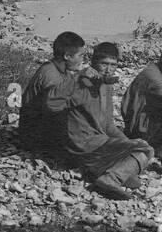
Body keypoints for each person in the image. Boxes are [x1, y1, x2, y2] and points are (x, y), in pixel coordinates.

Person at [64, 43, 154, 200]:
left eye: (113, 65)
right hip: (83, 144)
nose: (108, 69)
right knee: (145, 151)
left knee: (137, 154)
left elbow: (108, 124)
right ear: (93, 63)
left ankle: (106, 170)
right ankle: (110, 179)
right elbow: (63, 101)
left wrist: (128, 143)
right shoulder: (81, 82)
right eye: (104, 64)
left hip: (96, 140)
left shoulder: (105, 85)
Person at [19, 31, 96, 154]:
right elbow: (54, 104)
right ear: (67, 56)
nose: (83, 59)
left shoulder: (60, 70)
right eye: (80, 55)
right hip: (34, 136)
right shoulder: (50, 73)